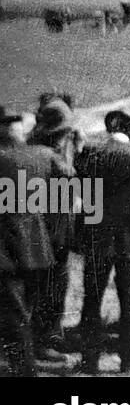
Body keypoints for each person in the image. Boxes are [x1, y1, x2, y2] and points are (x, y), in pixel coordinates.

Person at [74, 131, 130, 373]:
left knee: (92, 299)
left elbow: (81, 195)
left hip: (97, 238)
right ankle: (129, 358)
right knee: (129, 298)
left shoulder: (91, 156)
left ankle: (89, 358)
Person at [0, 108, 69, 375]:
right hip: (37, 247)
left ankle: (24, 368)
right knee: (28, 308)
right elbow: (71, 180)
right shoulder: (44, 155)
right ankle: (32, 355)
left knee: (13, 314)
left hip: (5, 251)